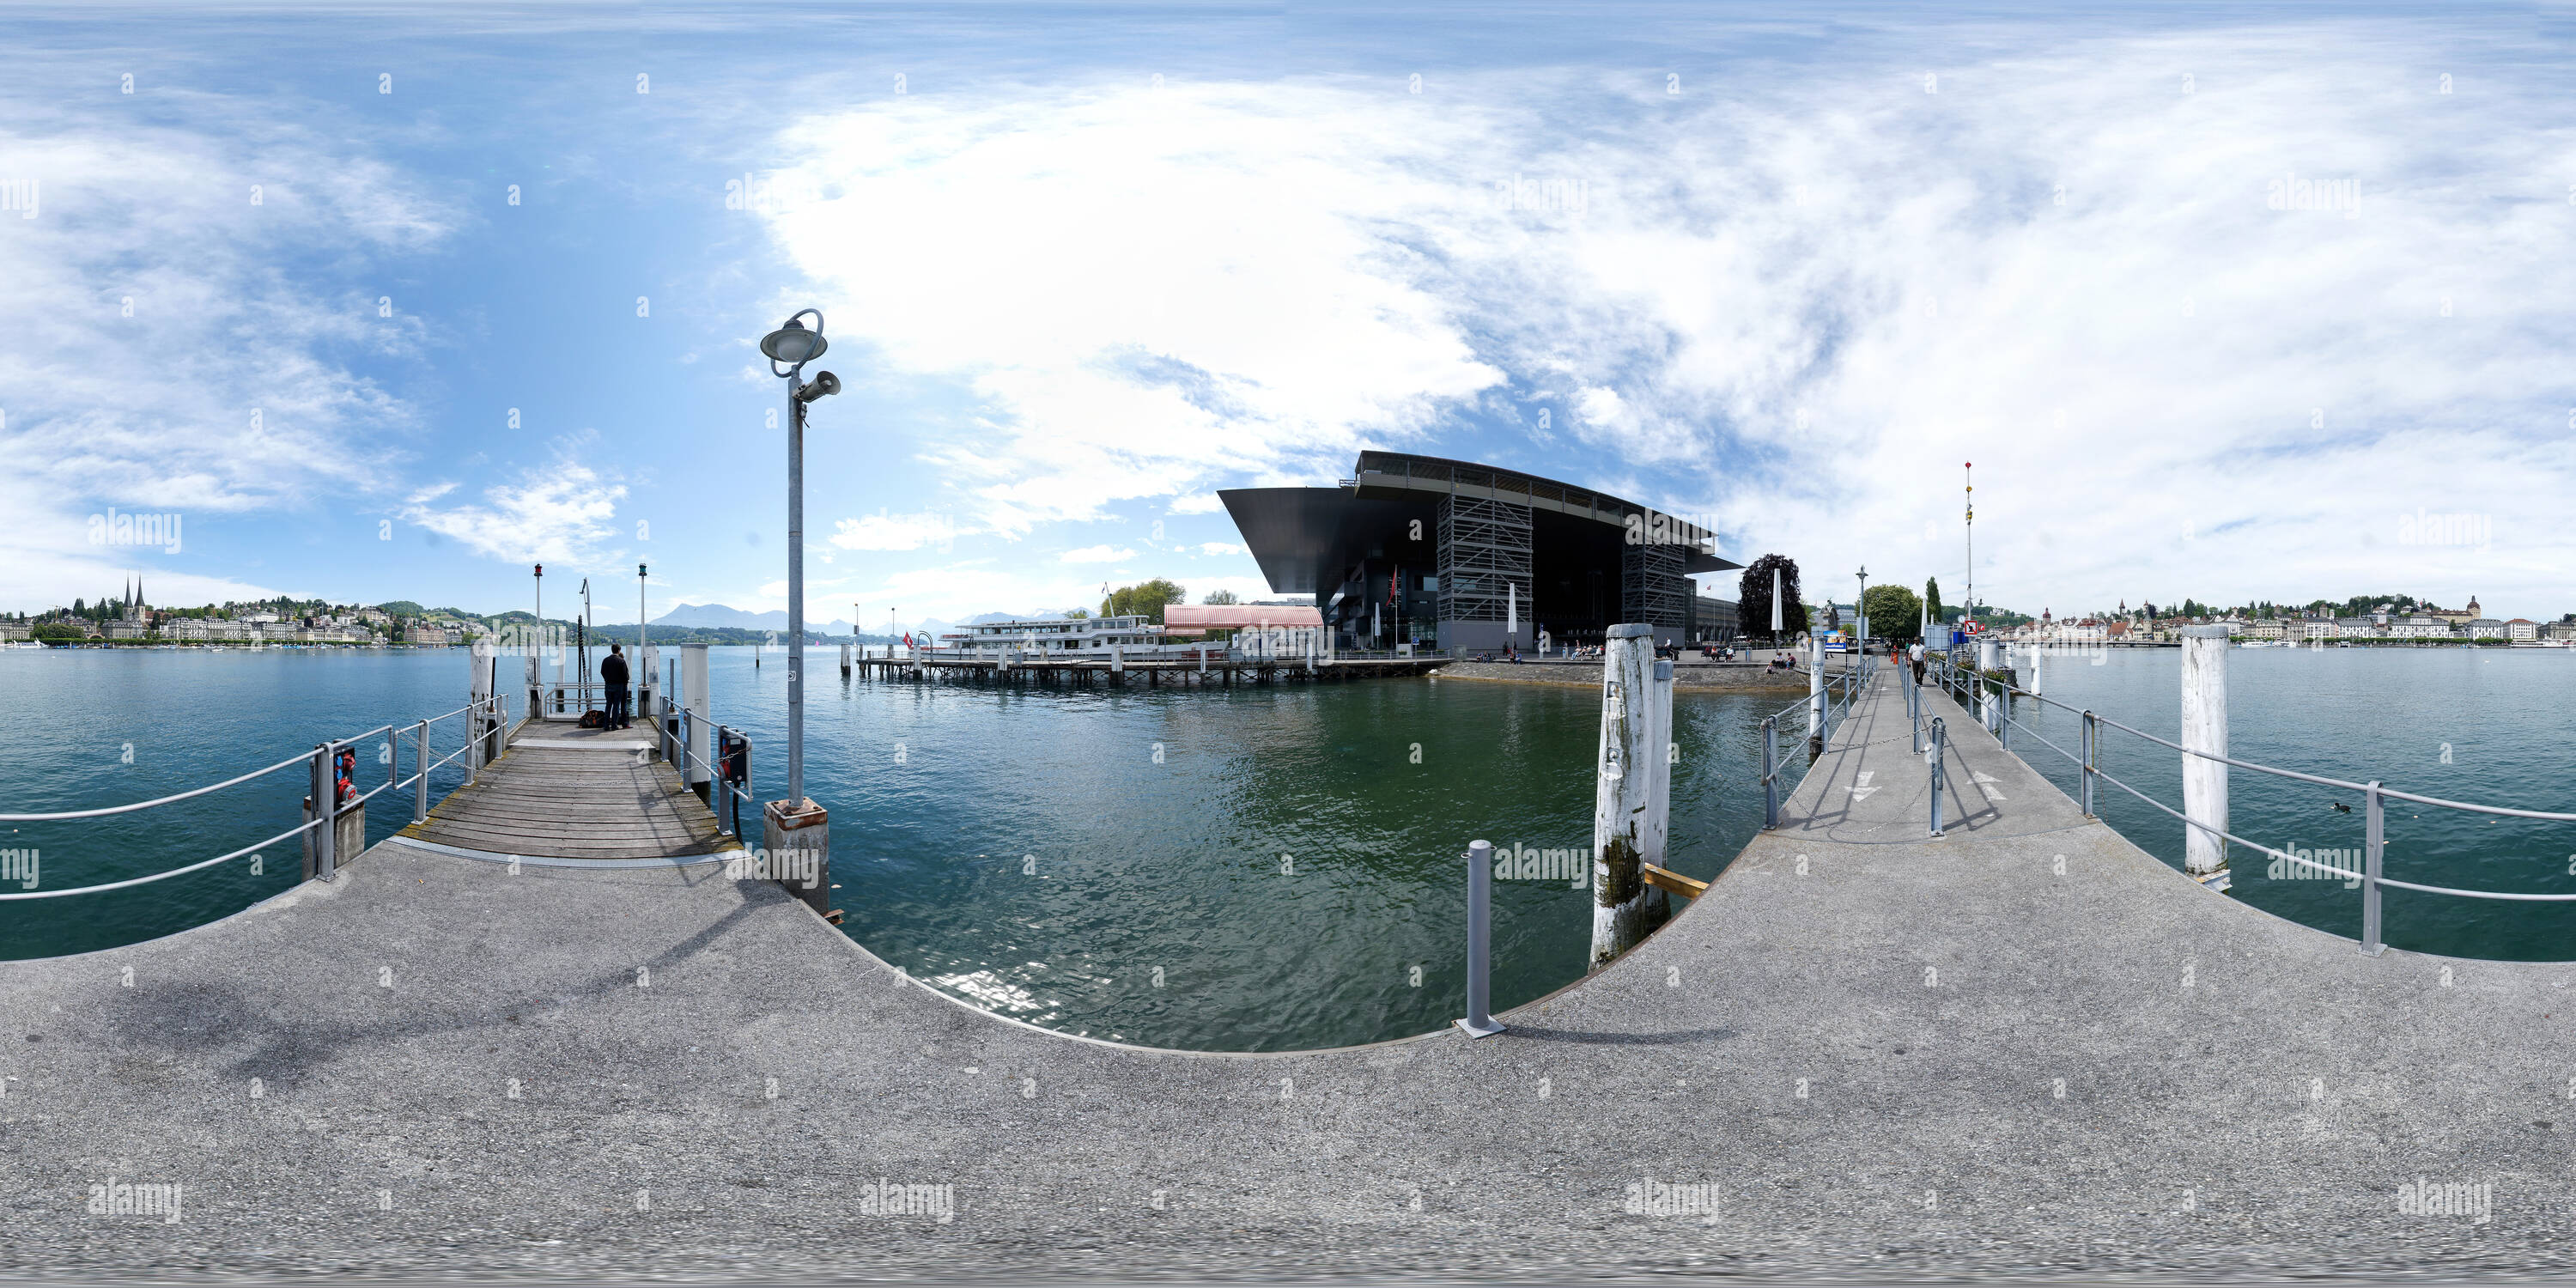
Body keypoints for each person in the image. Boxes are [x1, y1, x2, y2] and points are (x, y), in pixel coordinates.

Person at [602, 643, 632, 730]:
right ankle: (614, 725)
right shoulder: (621, 661)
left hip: (608, 685)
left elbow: (602, 672)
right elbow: (625, 676)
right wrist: (624, 683)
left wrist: (607, 679)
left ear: (612, 650)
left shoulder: (605, 660)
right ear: (619, 651)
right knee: (616, 706)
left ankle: (606, 725)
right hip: (618, 686)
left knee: (608, 705)